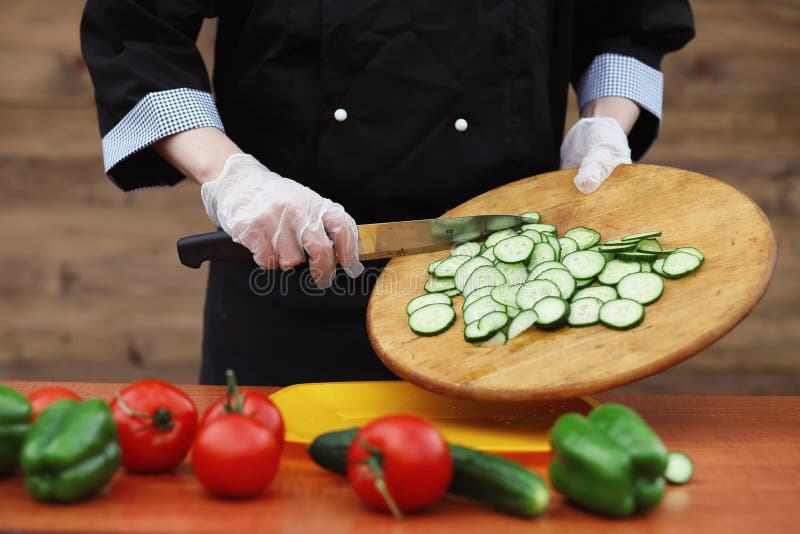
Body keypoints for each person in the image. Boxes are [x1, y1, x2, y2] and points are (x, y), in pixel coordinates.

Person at [80, 1, 694, 386]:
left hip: (509, 291)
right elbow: (136, 27)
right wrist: (233, 177)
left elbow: (627, 22)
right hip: (294, 265)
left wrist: (605, 125)